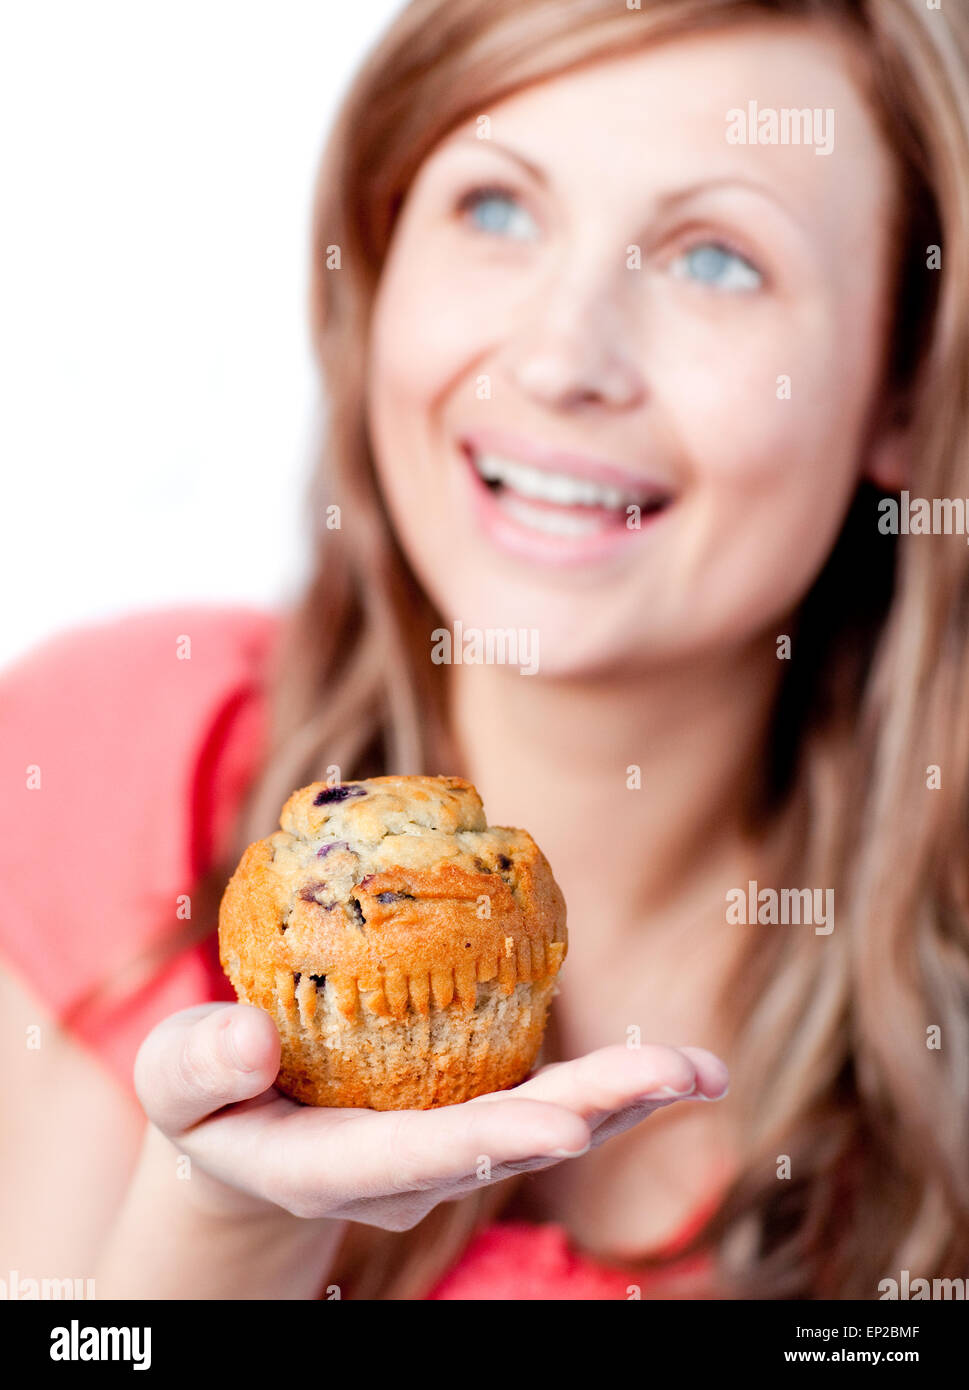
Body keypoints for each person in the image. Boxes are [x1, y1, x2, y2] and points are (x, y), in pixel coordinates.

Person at [3, 0, 969, 1301]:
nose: (563, 355)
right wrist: (222, 1233)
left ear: (903, 388)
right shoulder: (102, 762)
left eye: (716, 259)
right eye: (497, 209)